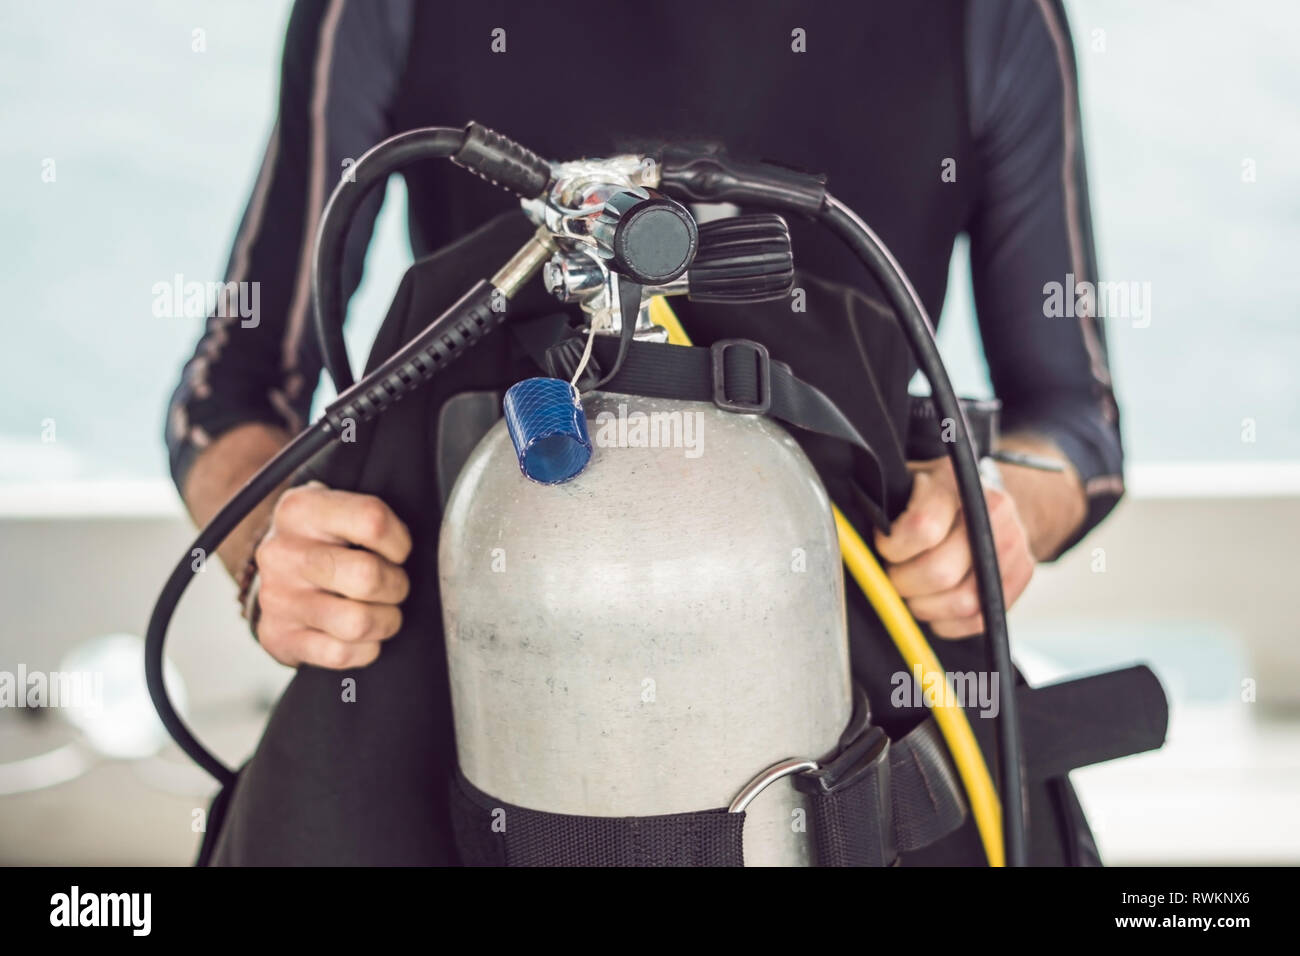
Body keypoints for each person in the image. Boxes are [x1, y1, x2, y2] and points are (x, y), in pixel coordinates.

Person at [168, 0, 1123, 864]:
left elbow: (1075, 428)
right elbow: (229, 392)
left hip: (861, 698)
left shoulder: (993, 19)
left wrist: (994, 516)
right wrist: (272, 553)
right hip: (470, 664)